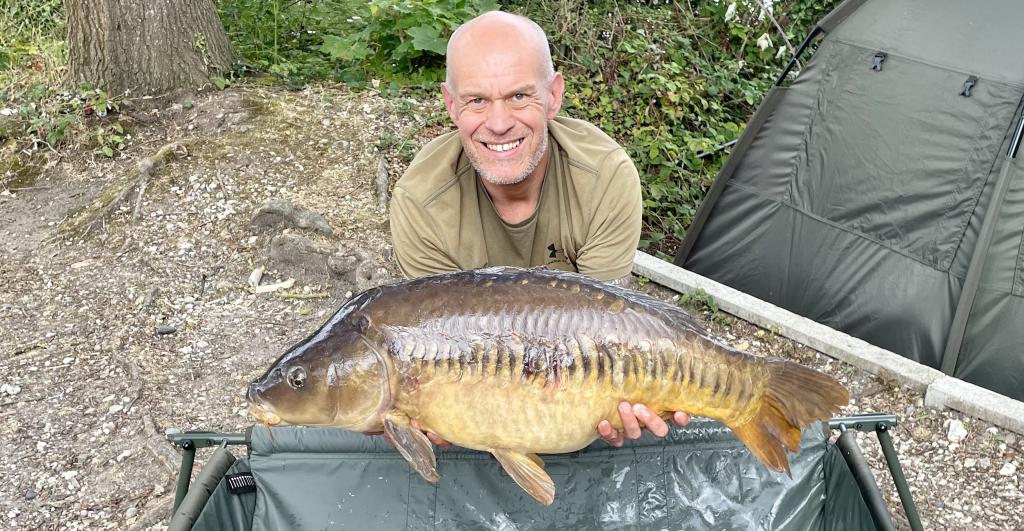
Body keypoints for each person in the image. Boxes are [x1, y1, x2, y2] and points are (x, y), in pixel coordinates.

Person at [388, 10, 689, 448]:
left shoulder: (604, 175)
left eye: (518, 96)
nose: (498, 122)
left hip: (581, 371)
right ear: (451, 105)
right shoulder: (421, 201)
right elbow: (434, 351)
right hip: (487, 385)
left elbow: (613, 333)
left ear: (553, 96)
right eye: (476, 100)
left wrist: (632, 396)